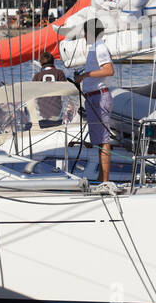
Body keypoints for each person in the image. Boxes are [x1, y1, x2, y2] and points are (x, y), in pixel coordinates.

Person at [73, 21, 115, 183]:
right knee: (98, 139)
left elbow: (108, 70)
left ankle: (105, 179)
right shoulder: (94, 48)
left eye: (85, 32)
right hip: (93, 96)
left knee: (103, 139)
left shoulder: (100, 47)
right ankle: (101, 176)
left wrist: (85, 75)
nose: (83, 36)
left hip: (99, 96)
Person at [32, 52, 67, 126]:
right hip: (57, 111)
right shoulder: (59, 73)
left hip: (42, 112)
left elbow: (33, 94)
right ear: (53, 62)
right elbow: (65, 90)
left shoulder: (37, 76)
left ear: (41, 63)